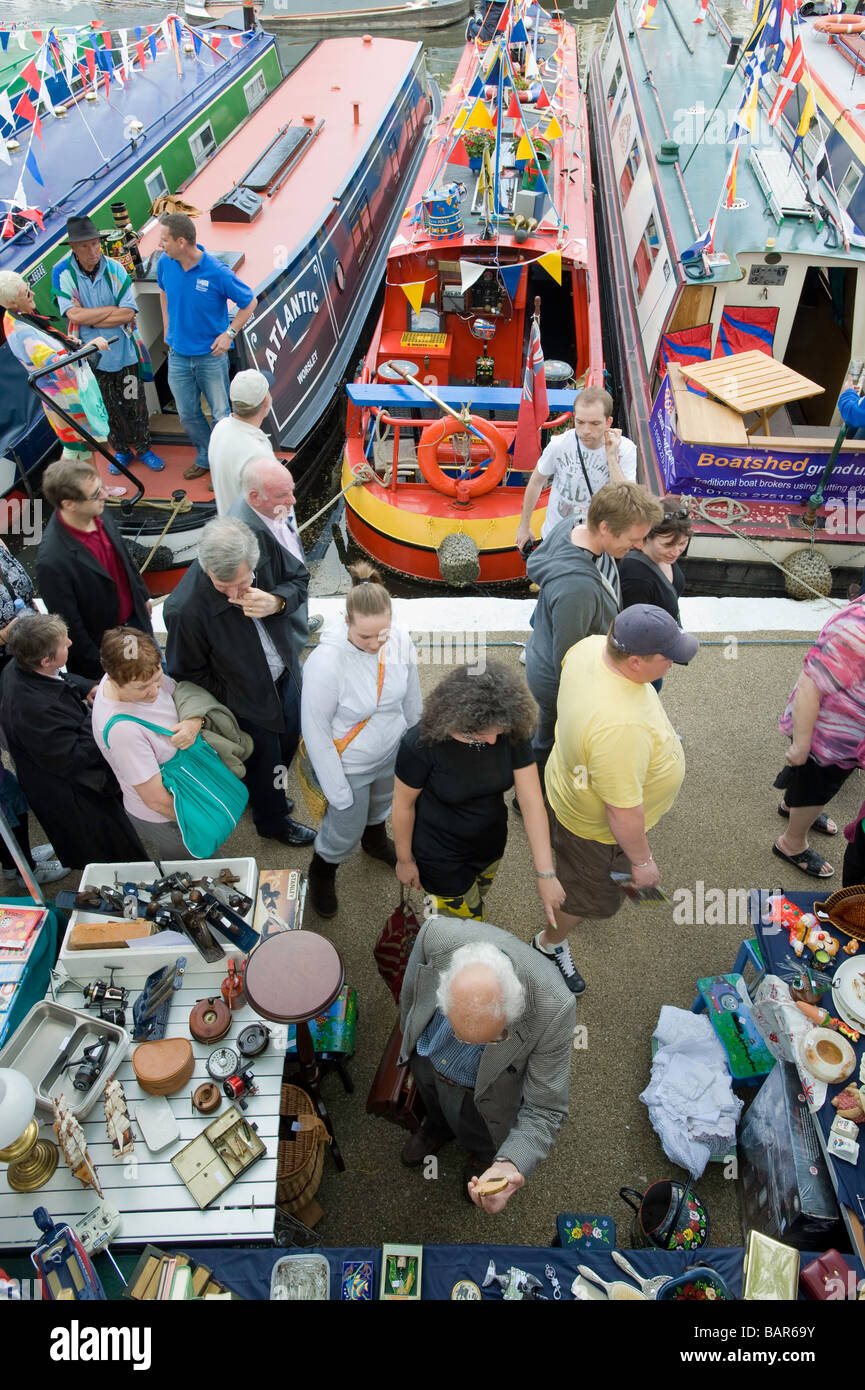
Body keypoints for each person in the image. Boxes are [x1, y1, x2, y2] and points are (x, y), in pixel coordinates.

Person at [539, 606, 697, 994]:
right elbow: (622, 813)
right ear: (636, 662)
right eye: (668, 657)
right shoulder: (620, 728)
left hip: (566, 781)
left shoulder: (590, 648)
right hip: (596, 831)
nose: (673, 664)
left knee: (623, 859)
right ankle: (547, 945)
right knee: (587, 896)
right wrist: (644, 861)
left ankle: (628, 875)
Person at [398, 919, 575, 1211]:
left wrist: (507, 1163)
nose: (466, 1044)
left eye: (489, 1039)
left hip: (486, 1095)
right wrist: (410, 1041)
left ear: (514, 1011)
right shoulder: (434, 937)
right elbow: (410, 998)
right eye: (456, 1028)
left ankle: (482, 1156)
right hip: (428, 1060)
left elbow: (545, 1109)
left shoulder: (554, 1008)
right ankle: (437, 1128)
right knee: (433, 1102)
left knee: (481, 1132)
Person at [163, 516, 315, 847]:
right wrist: (239, 695)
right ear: (205, 568)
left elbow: (300, 579)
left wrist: (277, 602)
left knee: (286, 744)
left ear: (254, 560)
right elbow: (187, 673)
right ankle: (272, 821)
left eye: (244, 582)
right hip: (246, 703)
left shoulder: (263, 539)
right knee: (264, 759)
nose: (234, 594)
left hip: (286, 676)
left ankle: (265, 794)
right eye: (223, 586)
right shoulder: (183, 610)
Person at [392, 663, 565, 931]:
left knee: (475, 902)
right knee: (462, 931)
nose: (495, 741)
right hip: (440, 857)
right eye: (484, 734)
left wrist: (545, 873)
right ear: (457, 721)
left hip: (490, 846)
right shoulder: (420, 744)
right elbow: (403, 805)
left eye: (499, 732)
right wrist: (404, 860)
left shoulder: (509, 731)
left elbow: (531, 803)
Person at [301, 563, 422, 917]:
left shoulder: (397, 638)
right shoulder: (325, 663)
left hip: (391, 749)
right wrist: (337, 793)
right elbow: (316, 730)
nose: (374, 644)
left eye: (381, 634)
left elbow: (411, 697)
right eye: (364, 637)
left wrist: (416, 747)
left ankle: (373, 840)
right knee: (343, 828)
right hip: (349, 762)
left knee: (382, 804)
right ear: (346, 622)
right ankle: (323, 869)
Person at [524, 481, 663, 772]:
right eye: (633, 538)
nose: (638, 546)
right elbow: (569, 660)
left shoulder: (572, 524)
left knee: (546, 733)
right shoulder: (577, 588)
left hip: (540, 649)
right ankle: (533, 799)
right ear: (603, 527)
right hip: (555, 680)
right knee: (551, 739)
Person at [0, 613, 146, 869]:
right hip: (76, 798)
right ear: (45, 659)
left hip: (64, 780)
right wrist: (105, 713)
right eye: (62, 642)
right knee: (117, 857)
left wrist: (84, 687)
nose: (69, 643)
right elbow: (75, 756)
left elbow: (56, 679)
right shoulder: (35, 709)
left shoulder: (19, 667)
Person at [91, 627, 249, 862]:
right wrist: (203, 815)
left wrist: (194, 721)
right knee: (206, 869)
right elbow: (156, 799)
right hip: (167, 819)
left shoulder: (134, 669)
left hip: (184, 789)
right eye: (142, 688)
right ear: (113, 678)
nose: (154, 691)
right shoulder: (122, 731)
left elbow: (178, 693)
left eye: (156, 679)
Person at [51, 214, 164, 474]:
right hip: (92, 359)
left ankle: (144, 448)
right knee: (108, 409)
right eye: (85, 246)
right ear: (74, 249)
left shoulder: (115, 268)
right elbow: (72, 315)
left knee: (134, 403)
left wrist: (90, 318)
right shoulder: (63, 272)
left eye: (95, 244)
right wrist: (109, 311)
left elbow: (127, 313)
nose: (93, 251)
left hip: (125, 355)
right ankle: (122, 451)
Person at [157, 212, 257, 481]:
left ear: (181, 241)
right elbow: (163, 292)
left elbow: (250, 302)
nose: (159, 245)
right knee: (187, 414)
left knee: (221, 415)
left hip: (211, 357)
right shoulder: (165, 264)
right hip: (178, 356)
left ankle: (224, 467)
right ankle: (206, 456)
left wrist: (229, 334)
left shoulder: (217, 272)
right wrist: (167, 327)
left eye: (164, 240)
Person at [36, 457, 154, 682]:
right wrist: (102, 665)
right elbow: (71, 626)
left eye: (101, 489)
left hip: (136, 618)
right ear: (69, 503)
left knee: (154, 668)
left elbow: (124, 558)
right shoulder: (52, 561)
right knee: (139, 683)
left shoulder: (96, 511)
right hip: (110, 643)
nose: (105, 496)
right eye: (95, 494)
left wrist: (143, 595)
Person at [0, 269, 120, 485]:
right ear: (13, 302)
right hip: (64, 399)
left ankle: (98, 487)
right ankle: (68, 489)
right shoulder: (23, 333)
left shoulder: (16, 318)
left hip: (61, 395)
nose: (33, 295)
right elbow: (56, 364)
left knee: (81, 446)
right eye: (27, 294)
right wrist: (90, 347)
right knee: (75, 447)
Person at [773, 596, 865, 878]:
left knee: (808, 784)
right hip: (828, 739)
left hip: (839, 737)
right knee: (818, 788)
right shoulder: (858, 630)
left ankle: (793, 806)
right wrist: (802, 744)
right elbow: (809, 685)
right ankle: (792, 843)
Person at [516, 386, 639, 553]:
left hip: (597, 542)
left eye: (595, 423)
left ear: (608, 422)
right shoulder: (559, 444)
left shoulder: (625, 450)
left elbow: (626, 499)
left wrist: (611, 456)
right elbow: (536, 482)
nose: (586, 431)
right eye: (580, 422)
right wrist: (524, 526)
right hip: (556, 537)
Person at [228, 455, 322, 656]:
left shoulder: (259, 505)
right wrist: (281, 603)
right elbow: (264, 596)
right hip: (282, 624)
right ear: (255, 496)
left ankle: (301, 624)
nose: (293, 500)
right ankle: (296, 638)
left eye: (292, 490)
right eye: (282, 494)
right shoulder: (248, 539)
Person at [619, 496, 691, 692]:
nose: (676, 551)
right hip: (644, 658)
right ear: (646, 536)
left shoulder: (662, 557)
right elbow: (633, 628)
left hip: (658, 648)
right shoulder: (636, 573)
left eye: (682, 544)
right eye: (668, 544)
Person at [210, 370, 277, 515]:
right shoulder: (259, 454)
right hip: (252, 537)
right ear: (266, 400)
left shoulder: (220, 428)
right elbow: (274, 515)